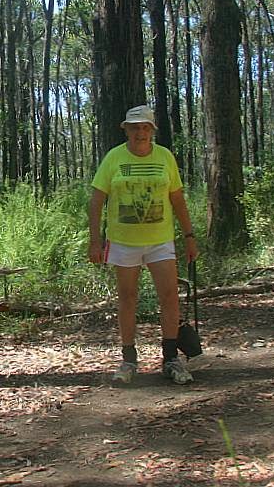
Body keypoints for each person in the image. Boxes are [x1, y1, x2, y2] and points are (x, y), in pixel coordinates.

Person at [88, 104, 199, 385]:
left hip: (160, 240)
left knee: (169, 296)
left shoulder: (165, 157)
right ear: (126, 129)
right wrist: (95, 241)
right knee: (127, 298)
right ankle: (128, 360)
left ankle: (171, 358)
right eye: (134, 127)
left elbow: (177, 200)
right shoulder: (114, 158)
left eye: (145, 127)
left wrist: (189, 236)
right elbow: (97, 201)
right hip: (123, 241)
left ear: (152, 131)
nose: (140, 132)